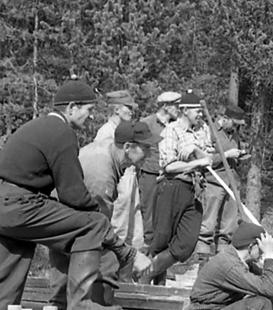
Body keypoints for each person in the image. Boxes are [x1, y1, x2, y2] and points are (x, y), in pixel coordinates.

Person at [0, 80, 124, 310]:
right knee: (91, 224)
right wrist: (98, 212)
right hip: (17, 206)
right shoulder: (62, 132)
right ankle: (81, 303)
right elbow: (72, 193)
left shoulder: (36, 126)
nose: (88, 117)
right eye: (86, 109)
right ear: (70, 108)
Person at [78, 120, 157, 290]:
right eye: (146, 148)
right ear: (128, 147)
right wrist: (132, 255)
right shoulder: (102, 175)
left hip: (76, 222)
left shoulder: (110, 151)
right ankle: (92, 307)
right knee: (109, 260)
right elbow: (98, 227)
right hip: (71, 229)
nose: (149, 155)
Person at [145, 90, 214, 284]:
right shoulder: (171, 131)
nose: (200, 114)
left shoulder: (203, 129)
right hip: (172, 186)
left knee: (187, 243)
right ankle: (154, 287)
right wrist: (195, 164)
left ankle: (147, 273)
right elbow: (168, 166)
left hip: (196, 191)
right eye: (196, 110)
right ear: (184, 110)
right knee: (162, 239)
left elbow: (209, 158)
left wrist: (195, 150)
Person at [197, 103, 247, 260]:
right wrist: (226, 154)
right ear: (225, 119)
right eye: (234, 123)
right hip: (215, 182)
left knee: (228, 227)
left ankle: (222, 261)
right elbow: (205, 159)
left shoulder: (234, 134)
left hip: (232, 184)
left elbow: (233, 157)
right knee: (208, 225)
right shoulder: (210, 132)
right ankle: (202, 262)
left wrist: (239, 156)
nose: (235, 127)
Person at [136, 91, 182, 249]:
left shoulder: (177, 125)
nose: (178, 109)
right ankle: (147, 247)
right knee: (148, 210)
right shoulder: (147, 123)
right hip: (150, 173)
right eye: (175, 105)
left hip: (171, 175)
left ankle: (162, 248)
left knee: (166, 213)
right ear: (165, 106)